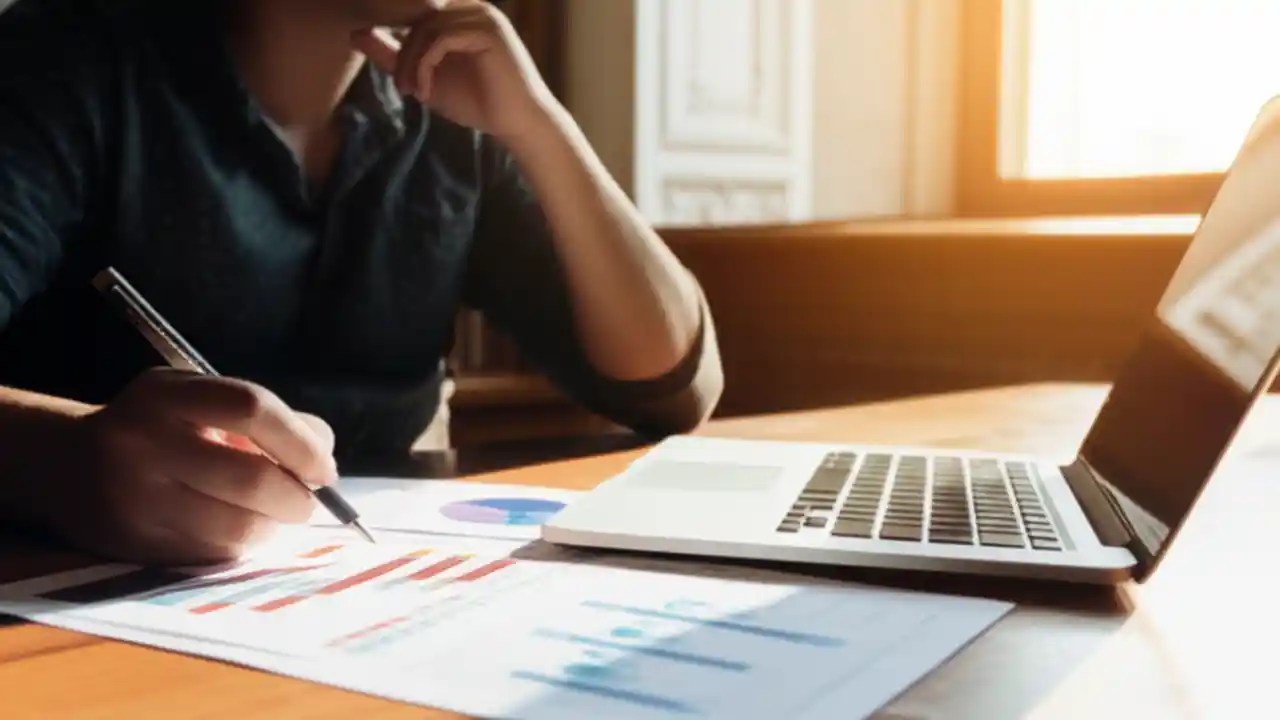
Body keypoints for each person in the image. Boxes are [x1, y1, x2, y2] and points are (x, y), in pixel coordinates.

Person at [0, 0, 722, 564]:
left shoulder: (452, 105)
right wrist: (62, 459)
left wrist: (539, 127)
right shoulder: (67, 59)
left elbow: (671, 389)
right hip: (79, 608)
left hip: (368, 587)